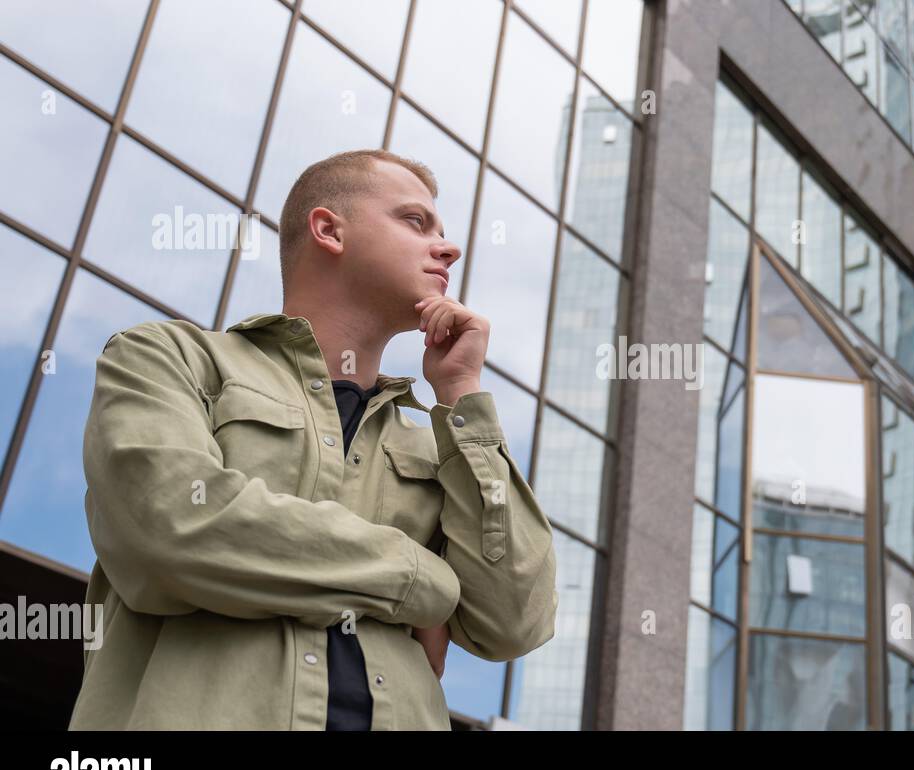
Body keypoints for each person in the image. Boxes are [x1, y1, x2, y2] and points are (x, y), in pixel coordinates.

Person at [67, 149, 558, 730]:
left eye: (443, 232)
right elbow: (169, 528)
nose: (448, 249)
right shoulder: (170, 359)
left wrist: (460, 393)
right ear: (329, 230)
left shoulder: (439, 448)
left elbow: (513, 621)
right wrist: (421, 578)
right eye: (415, 221)